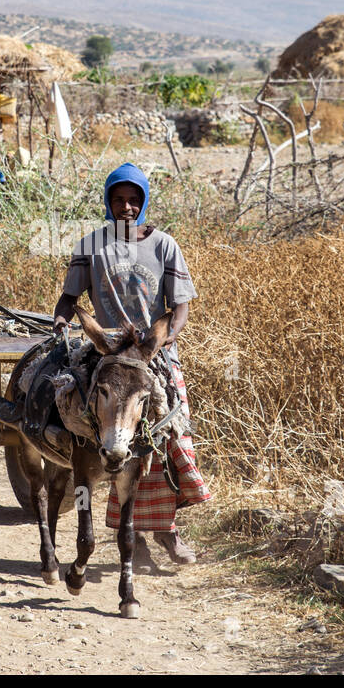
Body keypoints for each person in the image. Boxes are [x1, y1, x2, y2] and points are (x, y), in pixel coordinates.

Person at [51, 162, 211, 565]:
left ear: (143, 202)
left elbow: (180, 307)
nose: (126, 206)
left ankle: (165, 530)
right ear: (108, 202)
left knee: (170, 437)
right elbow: (70, 299)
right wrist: (60, 319)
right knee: (91, 427)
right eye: (118, 199)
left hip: (150, 353)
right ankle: (131, 537)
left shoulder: (164, 246)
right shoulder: (91, 245)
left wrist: (166, 339)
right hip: (106, 350)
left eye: (133, 200)